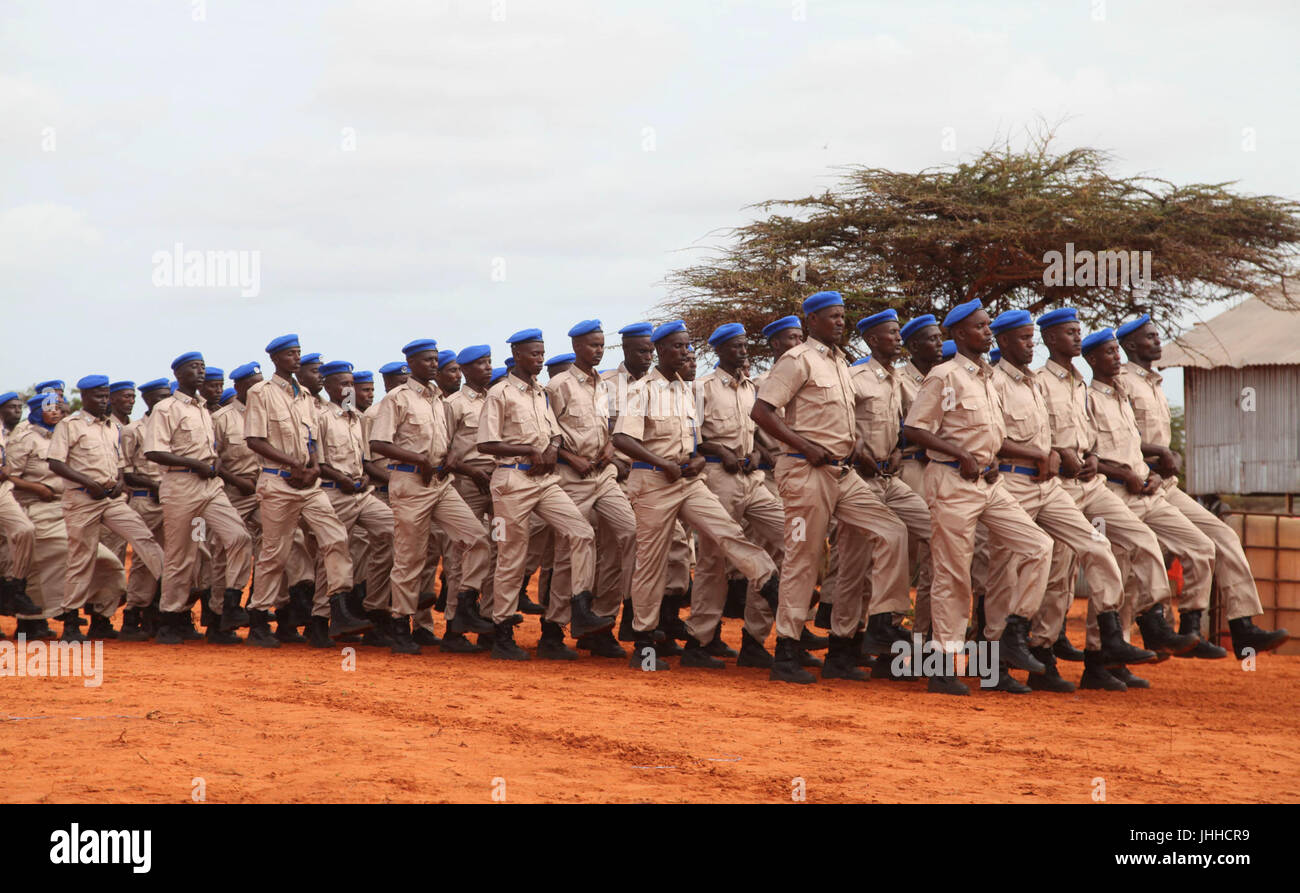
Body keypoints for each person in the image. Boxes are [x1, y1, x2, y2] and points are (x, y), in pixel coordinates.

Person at [985, 310, 1156, 693]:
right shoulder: (997, 381)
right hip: (1013, 481)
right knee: (1005, 575)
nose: (1029, 344)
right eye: (1025, 338)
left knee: (1095, 545)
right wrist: (1044, 453)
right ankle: (997, 665)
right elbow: (993, 439)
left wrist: (1085, 455)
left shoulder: (1056, 383)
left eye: (1031, 337)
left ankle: (1108, 632)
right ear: (1006, 342)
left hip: (1051, 485)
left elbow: (1072, 436)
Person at [900, 299, 1054, 695]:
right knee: (953, 575)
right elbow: (914, 430)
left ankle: (1014, 631)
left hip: (989, 484)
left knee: (1039, 546)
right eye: (981, 327)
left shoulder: (987, 378)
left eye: (988, 326)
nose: (988, 332)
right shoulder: (943, 376)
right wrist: (960, 453)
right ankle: (942, 669)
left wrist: (1007, 455)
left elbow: (996, 438)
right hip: (951, 483)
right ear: (959, 334)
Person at [1117, 315, 1289, 659]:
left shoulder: (1154, 383)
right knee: (1132, 565)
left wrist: (1171, 455)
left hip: (1164, 484)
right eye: (1149, 337)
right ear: (1131, 345)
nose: (1157, 341)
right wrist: (1160, 454)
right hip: (1133, 484)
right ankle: (1120, 645)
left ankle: (1234, 629)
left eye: (1157, 335)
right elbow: (1117, 439)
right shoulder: (1122, 382)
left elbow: (1156, 440)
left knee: (1223, 537)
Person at [616, 319, 780, 672]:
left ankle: (769, 582)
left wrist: (700, 458)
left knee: (725, 530)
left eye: (688, 346)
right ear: (661, 350)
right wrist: (663, 462)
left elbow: (694, 441)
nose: (686, 352)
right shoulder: (641, 390)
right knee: (651, 564)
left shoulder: (684, 391)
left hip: (687, 480)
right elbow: (623, 440)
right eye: (678, 346)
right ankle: (644, 644)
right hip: (653, 484)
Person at [1082, 329, 1227, 661]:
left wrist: (1155, 467)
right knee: (1116, 573)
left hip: (1144, 491)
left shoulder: (1121, 397)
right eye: (1109, 352)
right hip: (1110, 493)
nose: (1117, 357)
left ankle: (1181, 626)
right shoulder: (1088, 398)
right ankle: (1102, 655)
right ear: (1092, 359)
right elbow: (1087, 454)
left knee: (1201, 545)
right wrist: (1125, 473)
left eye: (1117, 352)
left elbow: (1132, 448)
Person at [477, 328, 607, 661]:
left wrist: (550, 448)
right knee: (511, 556)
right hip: (511, 480)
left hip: (545, 481)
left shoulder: (539, 393)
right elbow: (486, 443)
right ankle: (502, 633)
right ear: (517, 355)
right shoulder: (501, 393)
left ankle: (579, 604)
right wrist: (528, 450)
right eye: (534, 353)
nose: (540, 358)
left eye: (542, 353)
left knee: (581, 532)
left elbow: (554, 434)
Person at [369, 338, 492, 654]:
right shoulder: (398, 398)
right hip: (410, 484)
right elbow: (379, 444)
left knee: (477, 539)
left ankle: (465, 604)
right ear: (411, 364)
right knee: (410, 558)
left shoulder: (440, 399)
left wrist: (450, 456)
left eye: (436, 359)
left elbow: (448, 440)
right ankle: (400, 626)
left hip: (441, 482)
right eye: (427, 360)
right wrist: (418, 459)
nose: (434, 364)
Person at [244, 334, 365, 648]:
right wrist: (292, 465)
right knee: (275, 553)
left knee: (336, 536)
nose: (296, 359)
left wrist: (311, 466)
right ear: (275, 359)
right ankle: (259, 618)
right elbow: (255, 440)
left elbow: (312, 441)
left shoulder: (306, 397)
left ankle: (338, 606)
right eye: (290, 354)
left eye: (298, 353)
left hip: (308, 485)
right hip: (277, 482)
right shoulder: (262, 392)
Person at [835, 309, 934, 680]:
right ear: (873, 340)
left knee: (935, 528)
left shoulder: (894, 379)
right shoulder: (855, 377)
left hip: (890, 477)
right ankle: (843, 648)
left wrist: (896, 449)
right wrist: (856, 447)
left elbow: (902, 427)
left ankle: (886, 628)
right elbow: (839, 421)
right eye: (891, 333)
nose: (897, 338)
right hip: (856, 479)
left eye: (898, 332)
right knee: (854, 567)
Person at [141, 353, 255, 644]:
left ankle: (229, 603)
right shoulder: (166, 408)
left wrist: (209, 467)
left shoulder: (204, 408)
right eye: (194, 367)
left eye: (203, 366)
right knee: (182, 557)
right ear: (179, 374)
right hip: (180, 484)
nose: (201, 371)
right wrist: (195, 464)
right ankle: (170, 618)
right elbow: (153, 451)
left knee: (239, 537)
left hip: (210, 485)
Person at [690, 322, 785, 668]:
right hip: (718, 477)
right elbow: (692, 436)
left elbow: (757, 431)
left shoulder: (751, 389)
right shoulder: (702, 388)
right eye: (735, 346)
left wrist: (757, 453)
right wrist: (720, 450)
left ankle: (755, 639)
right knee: (713, 561)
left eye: (745, 345)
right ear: (719, 351)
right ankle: (700, 640)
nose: (742, 351)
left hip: (752, 478)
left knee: (790, 534)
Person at [46, 375, 165, 641]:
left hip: (110, 499)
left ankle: (171, 583)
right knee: (82, 559)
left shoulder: (112, 427)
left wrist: (120, 484)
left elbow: (120, 465)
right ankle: (71, 621)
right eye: (98, 396)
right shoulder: (70, 425)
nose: (103, 401)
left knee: (142, 535)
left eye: (105, 395)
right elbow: (56, 463)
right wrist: (88, 482)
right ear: (85, 397)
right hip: (81, 500)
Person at [545, 320, 636, 659]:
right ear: (576, 348)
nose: (598, 350)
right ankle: (552, 631)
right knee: (569, 554)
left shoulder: (604, 385)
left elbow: (611, 427)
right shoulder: (559, 386)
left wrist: (610, 451)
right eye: (592, 345)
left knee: (629, 534)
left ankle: (605, 620)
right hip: (572, 478)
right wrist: (571, 458)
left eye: (601, 345)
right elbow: (549, 436)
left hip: (603, 476)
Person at [314, 360, 397, 650]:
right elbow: (319, 462)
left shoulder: (356, 419)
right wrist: (342, 479)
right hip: (334, 494)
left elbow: (365, 461)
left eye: (351, 383)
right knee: (333, 552)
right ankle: (321, 620)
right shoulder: (321, 417)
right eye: (343, 384)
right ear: (328, 386)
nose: (349, 388)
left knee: (393, 530)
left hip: (361, 494)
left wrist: (368, 479)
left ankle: (373, 606)